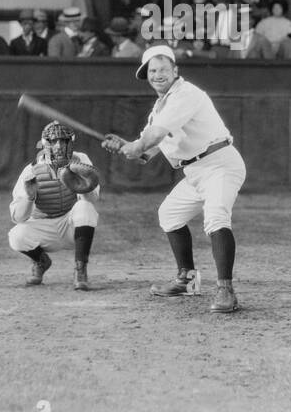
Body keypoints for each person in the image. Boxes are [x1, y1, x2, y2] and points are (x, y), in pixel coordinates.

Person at [102, 44, 247, 314]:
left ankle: (226, 290)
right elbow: (147, 149)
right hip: (195, 171)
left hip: (219, 164)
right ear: (146, 76)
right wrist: (127, 147)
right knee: (169, 215)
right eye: (152, 70)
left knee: (215, 218)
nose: (158, 75)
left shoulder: (186, 94)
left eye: (163, 69)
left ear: (175, 71)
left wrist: (137, 146)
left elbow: (154, 136)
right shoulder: (159, 108)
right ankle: (187, 281)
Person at [8, 121, 101, 290]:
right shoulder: (32, 170)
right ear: (45, 145)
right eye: (54, 141)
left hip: (70, 226)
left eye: (63, 141)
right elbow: (17, 218)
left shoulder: (81, 160)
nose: (59, 146)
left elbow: (92, 201)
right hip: (44, 228)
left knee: (85, 208)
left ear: (70, 143)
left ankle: (80, 270)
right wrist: (29, 198)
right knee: (16, 236)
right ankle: (41, 261)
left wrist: (82, 186)